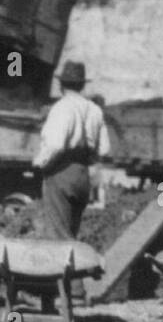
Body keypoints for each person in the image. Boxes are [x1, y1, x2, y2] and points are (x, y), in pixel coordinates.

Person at [32, 60, 111, 241]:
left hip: (61, 172)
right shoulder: (95, 110)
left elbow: (56, 144)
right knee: (71, 235)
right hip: (82, 176)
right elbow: (105, 149)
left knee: (58, 237)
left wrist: (40, 162)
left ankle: (61, 269)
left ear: (61, 85)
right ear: (83, 85)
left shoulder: (61, 108)